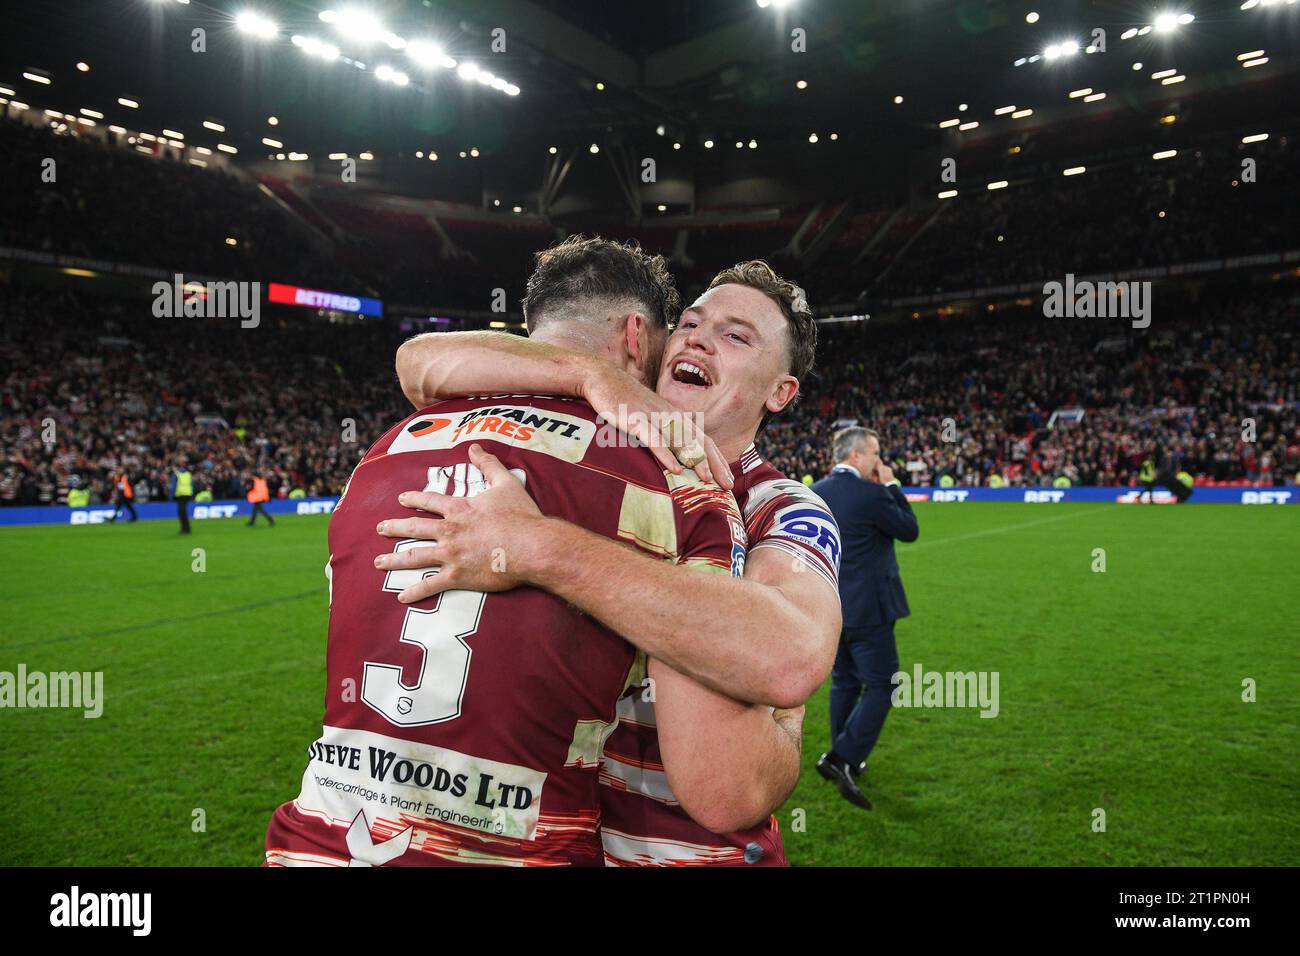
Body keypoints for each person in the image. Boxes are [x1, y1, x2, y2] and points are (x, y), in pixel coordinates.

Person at [265, 238, 801, 867]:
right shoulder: (674, 481)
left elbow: (417, 362)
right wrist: (787, 719)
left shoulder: (390, 447)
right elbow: (727, 783)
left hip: (324, 843)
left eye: (735, 336)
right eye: (678, 330)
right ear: (637, 339)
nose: (686, 349)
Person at [386, 258, 843, 865]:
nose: (699, 337)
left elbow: (783, 667)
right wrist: (590, 375)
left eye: (736, 336)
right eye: (689, 322)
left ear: (779, 392)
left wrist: (536, 546)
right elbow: (418, 363)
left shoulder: (781, 508)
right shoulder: (591, 457)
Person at [810, 426, 918, 809]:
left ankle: (845, 755)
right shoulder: (873, 494)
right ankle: (841, 757)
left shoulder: (815, 493)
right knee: (883, 684)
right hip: (870, 608)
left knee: (844, 682)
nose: (880, 461)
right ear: (855, 456)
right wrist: (891, 487)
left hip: (831, 607)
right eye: (875, 453)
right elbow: (910, 530)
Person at [171, 461, 194, 534]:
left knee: (181, 512)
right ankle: (186, 528)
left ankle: (185, 529)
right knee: (184, 512)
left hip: (181, 495)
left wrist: (171, 496)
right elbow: (192, 484)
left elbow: (174, 486)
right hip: (188, 494)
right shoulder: (188, 474)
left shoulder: (176, 475)